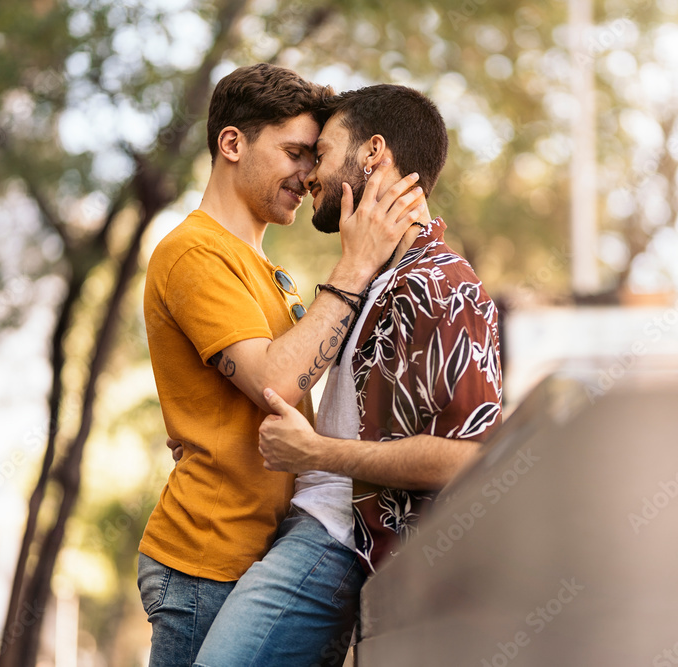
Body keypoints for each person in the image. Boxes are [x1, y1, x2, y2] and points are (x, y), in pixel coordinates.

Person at [192, 84, 504, 666]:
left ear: (372, 153)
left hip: (335, 541)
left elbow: (469, 459)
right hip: (316, 535)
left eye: (323, 152)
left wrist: (316, 453)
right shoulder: (372, 282)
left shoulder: (441, 285)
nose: (310, 173)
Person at [138, 63, 423, 667]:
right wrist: (353, 267)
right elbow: (275, 383)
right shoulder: (193, 251)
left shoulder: (263, 266)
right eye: (295, 152)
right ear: (233, 144)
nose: (309, 173)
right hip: (205, 559)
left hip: (259, 552)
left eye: (314, 156)